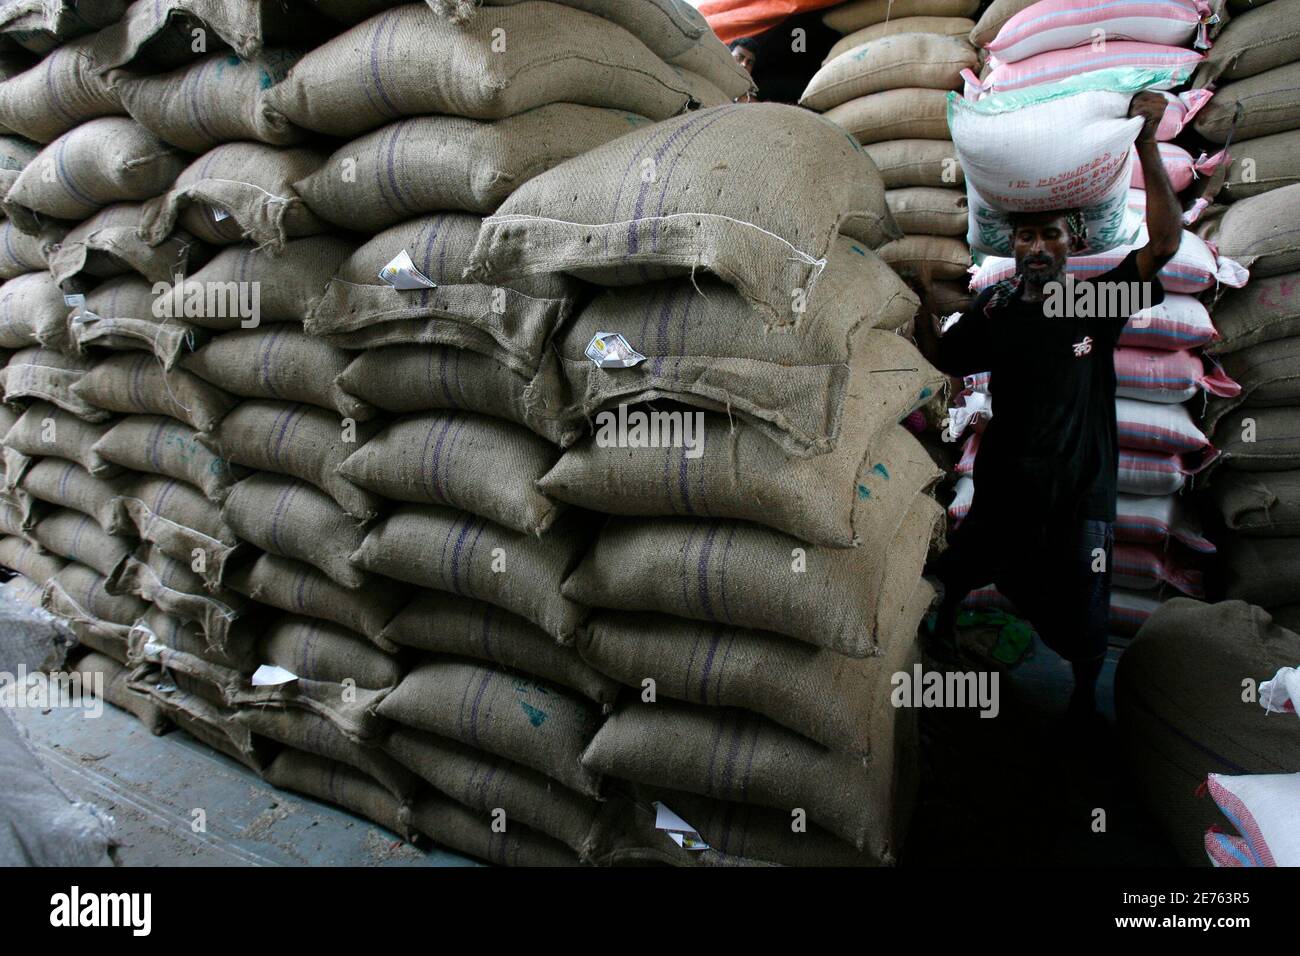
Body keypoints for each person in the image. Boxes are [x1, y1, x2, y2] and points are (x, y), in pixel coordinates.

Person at [913, 91, 1182, 733]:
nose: (1037, 246)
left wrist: (1145, 143)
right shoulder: (997, 312)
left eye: (1050, 235)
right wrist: (920, 300)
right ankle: (940, 649)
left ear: (1072, 243)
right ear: (1013, 245)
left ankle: (1085, 701)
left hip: (1077, 491)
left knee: (1084, 610)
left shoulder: (1092, 304)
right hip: (1007, 489)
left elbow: (1166, 244)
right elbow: (944, 362)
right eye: (1027, 235)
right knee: (951, 573)